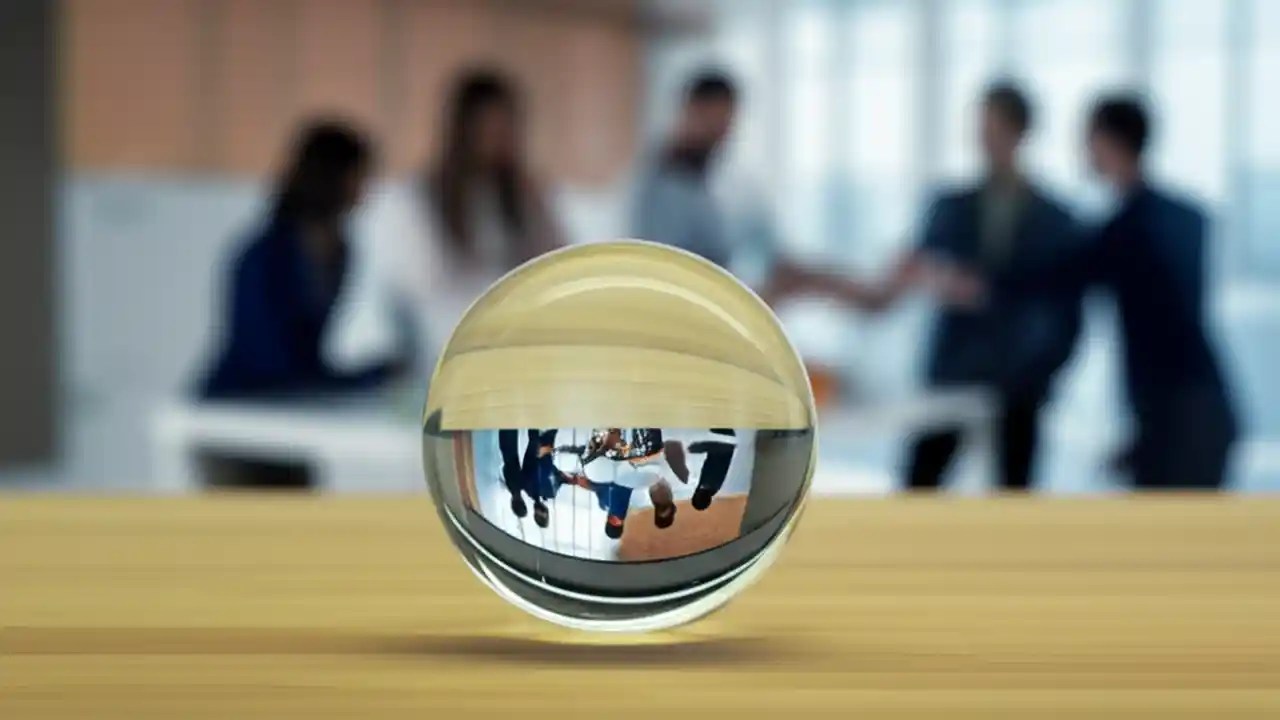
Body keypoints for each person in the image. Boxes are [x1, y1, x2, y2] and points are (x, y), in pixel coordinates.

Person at [769, 83, 1082, 491]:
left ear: (1019, 132)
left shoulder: (1056, 220)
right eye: (980, 129)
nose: (984, 140)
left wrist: (1041, 374)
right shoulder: (949, 207)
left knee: (1013, 503)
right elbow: (887, 287)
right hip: (952, 377)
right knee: (919, 488)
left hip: (1017, 386)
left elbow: (1063, 313)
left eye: (993, 129)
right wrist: (812, 279)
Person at [1071, 95, 1237, 488]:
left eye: (1088, 138)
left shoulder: (1126, 231)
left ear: (1109, 141)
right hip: (1201, 409)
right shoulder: (1186, 217)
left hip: (1179, 420)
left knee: (1175, 543)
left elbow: (1057, 277)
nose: (1082, 151)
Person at [377, 69, 565, 372]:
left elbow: (558, 266)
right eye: (488, 125)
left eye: (506, 125)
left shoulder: (525, 199)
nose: (497, 136)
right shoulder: (423, 198)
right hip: (447, 351)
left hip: (518, 354)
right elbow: (415, 288)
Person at [200, 120, 398, 399]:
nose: (367, 189)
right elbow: (266, 361)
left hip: (291, 403)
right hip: (238, 403)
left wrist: (375, 374)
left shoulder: (341, 252)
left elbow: (308, 358)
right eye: (360, 176)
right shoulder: (263, 256)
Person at [632, 71, 739, 268]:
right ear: (690, 112)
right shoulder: (665, 184)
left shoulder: (702, 180)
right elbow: (664, 268)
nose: (720, 135)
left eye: (725, 124)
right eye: (712, 121)